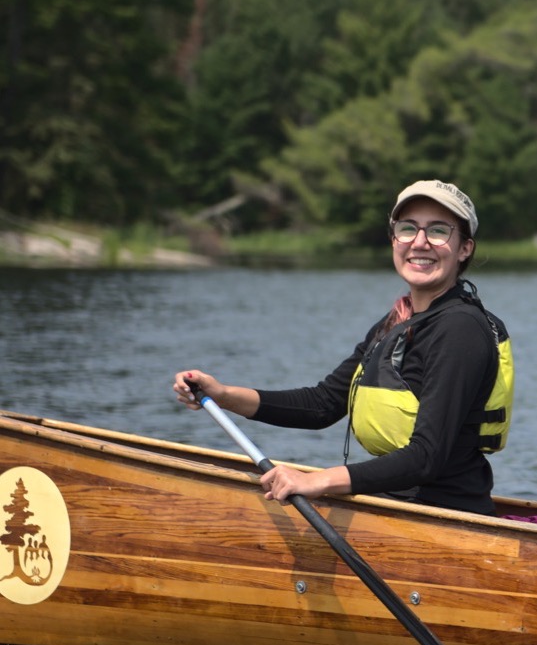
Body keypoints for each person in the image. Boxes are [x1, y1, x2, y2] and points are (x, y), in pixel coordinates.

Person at [174, 180, 514, 516]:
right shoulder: (399, 320)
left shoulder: (459, 329)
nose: (420, 242)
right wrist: (222, 395)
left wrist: (318, 480)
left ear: (464, 248)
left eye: (438, 231)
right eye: (408, 228)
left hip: (442, 514)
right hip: (394, 503)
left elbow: (427, 456)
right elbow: (323, 404)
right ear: (394, 240)